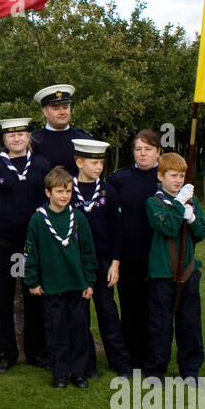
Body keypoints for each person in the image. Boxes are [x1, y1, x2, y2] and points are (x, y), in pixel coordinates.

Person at [0, 118, 50, 373]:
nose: (17, 139)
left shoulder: (42, 166)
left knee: (35, 296)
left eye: (21, 134)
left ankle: (38, 352)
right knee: (3, 298)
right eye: (11, 135)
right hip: (5, 244)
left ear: (28, 136)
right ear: (4, 139)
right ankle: (3, 353)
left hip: (34, 244)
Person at [24, 167, 97, 389]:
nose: (64, 196)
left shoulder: (79, 218)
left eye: (67, 191)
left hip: (77, 285)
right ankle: (60, 373)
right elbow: (31, 253)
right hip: (52, 287)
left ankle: (79, 372)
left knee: (79, 330)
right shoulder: (38, 220)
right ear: (48, 193)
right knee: (56, 332)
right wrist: (32, 281)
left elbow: (88, 252)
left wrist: (89, 281)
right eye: (59, 191)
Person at [145, 152, 205, 385]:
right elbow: (168, 228)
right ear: (161, 176)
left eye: (181, 175)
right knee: (160, 323)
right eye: (173, 175)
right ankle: (155, 370)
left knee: (190, 322)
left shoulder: (192, 201)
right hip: (162, 272)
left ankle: (190, 370)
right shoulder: (153, 202)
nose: (178, 180)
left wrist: (192, 219)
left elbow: (202, 232)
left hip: (188, 271)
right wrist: (178, 204)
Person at [71, 137, 127, 377]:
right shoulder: (66, 190)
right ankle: (87, 365)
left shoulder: (108, 192)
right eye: (94, 163)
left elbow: (118, 231)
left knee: (108, 312)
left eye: (101, 163)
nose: (99, 168)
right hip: (77, 263)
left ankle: (120, 362)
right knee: (79, 316)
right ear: (79, 161)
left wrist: (115, 263)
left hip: (104, 262)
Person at [109, 129, 162, 374]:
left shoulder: (164, 180)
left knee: (155, 308)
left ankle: (154, 356)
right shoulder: (119, 179)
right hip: (128, 256)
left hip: (157, 257)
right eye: (138, 149)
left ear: (158, 152)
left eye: (148, 149)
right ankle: (131, 357)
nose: (143, 154)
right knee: (130, 308)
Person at [30, 84, 91, 177]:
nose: (62, 112)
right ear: (45, 112)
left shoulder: (84, 140)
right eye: (56, 108)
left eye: (65, 107)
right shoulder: (33, 141)